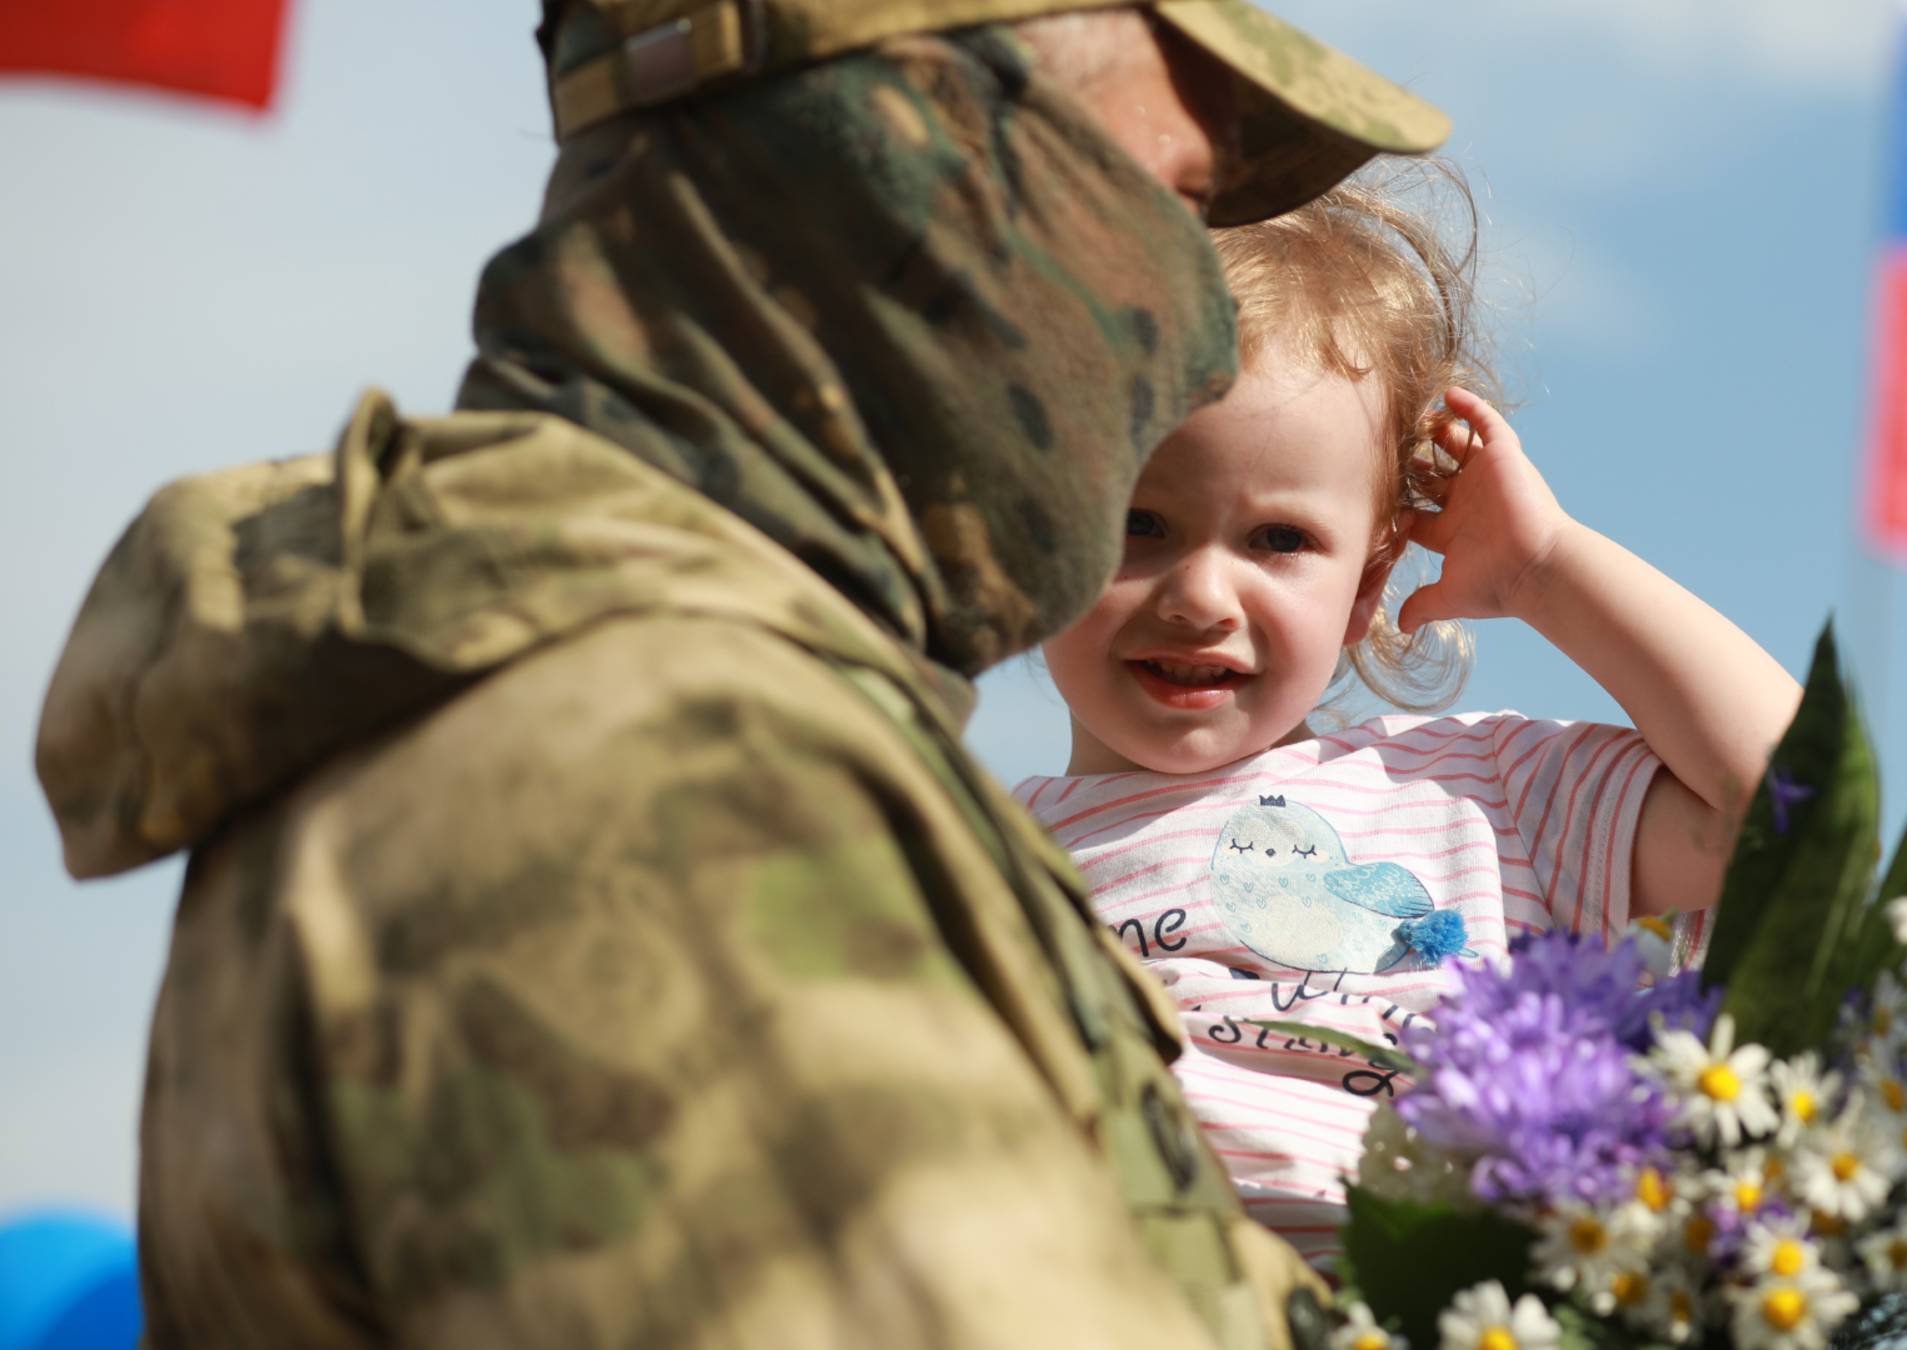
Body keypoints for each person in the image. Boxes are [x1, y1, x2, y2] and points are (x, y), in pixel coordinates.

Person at [33, 4, 1452, 1347]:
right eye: (1178, 205)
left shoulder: (626, 693)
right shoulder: (644, 774)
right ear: (913, 156)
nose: (1200, 330)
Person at [1010, 175, 1804, 1267]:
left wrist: (1544, 570)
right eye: (1139, 522)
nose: (1200, 595)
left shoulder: (1483, 796)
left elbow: (1798, 811)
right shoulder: (973, 860)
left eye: (1280, 540)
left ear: (1373, 579)